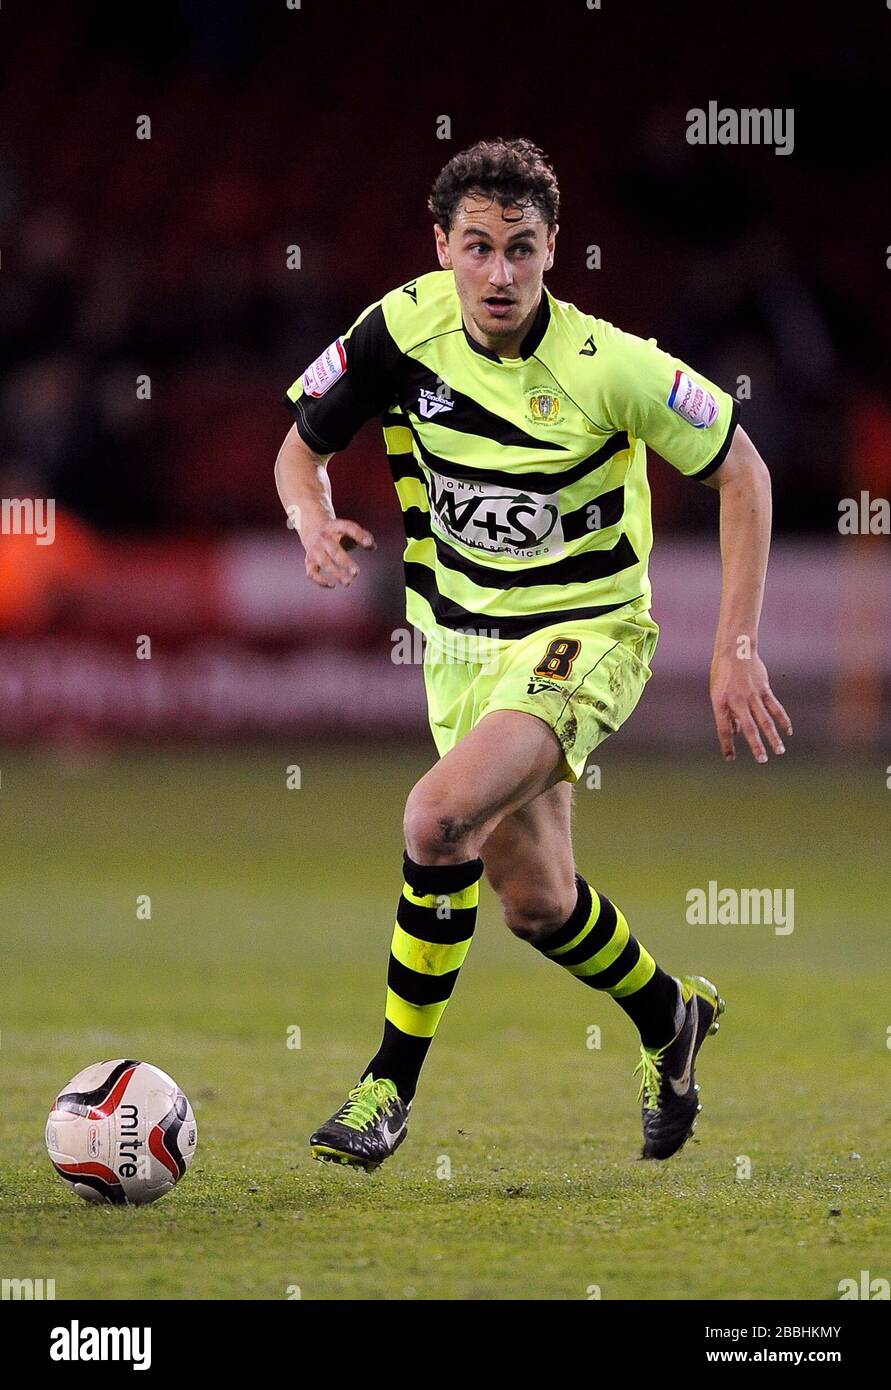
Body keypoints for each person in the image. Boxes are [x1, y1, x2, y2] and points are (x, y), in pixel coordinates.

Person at [275, 138, 791, 1171]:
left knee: (435, 815)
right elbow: (300, 448)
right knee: (537, 901)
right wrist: (311, 521)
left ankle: (387, 1086)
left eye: (520, 248)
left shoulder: (611, 366)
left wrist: (737, 646)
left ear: (555, 249)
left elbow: (743, 471)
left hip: (585, 637)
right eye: (478, 248)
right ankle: (670, 1017)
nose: (499, 273)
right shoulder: (399, 330)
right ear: (443, 247)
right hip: (461, 645)